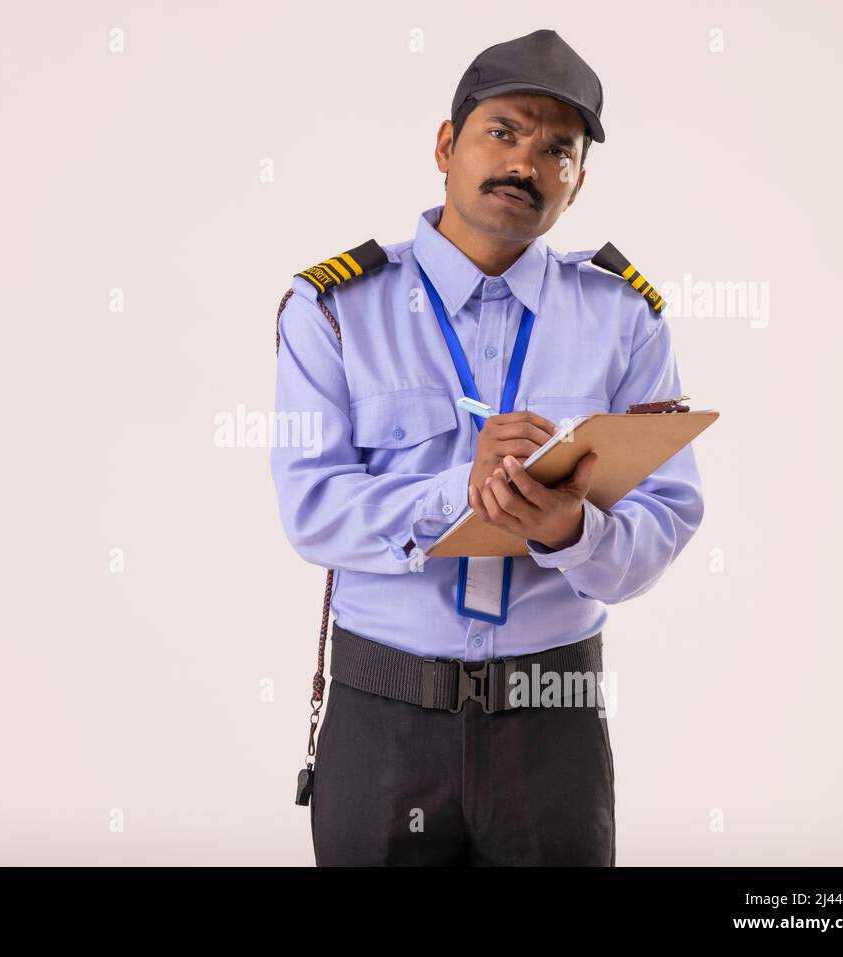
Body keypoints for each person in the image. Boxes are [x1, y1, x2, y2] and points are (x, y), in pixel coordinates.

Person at [269, 29, 704, 866]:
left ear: (577, 184)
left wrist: (575, 532)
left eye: (557, 150)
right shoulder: (331, 309)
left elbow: (667, 519)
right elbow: (311, 510)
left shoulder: (625, 317)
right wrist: (456, 494)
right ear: (446, 143)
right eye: (502, 131)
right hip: (383, 714)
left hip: (555, 714)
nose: (525, 164)